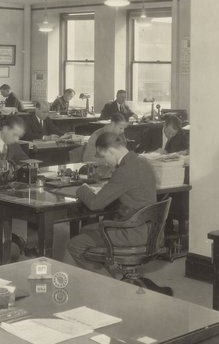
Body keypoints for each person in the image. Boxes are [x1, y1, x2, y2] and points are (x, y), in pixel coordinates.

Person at [67, 132, 157, 270]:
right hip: (150, 228)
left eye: (104, 157)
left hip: (134, 232)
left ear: (111, 151)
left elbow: (95, 204)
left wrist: (82, 188)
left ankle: (103, 282)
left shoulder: (125, 170)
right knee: (86, 229)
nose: (105, 161)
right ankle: (108, 272)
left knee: (75, 244)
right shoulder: (142, 161)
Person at [84, 113, 128, 179]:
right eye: (121, 128)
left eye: (124, 128)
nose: (123, 131)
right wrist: (107, 161)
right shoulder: (96, 136)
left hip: (117, 174)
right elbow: (87, 159)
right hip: (100, 176)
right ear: (112, 124)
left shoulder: (121, 136)